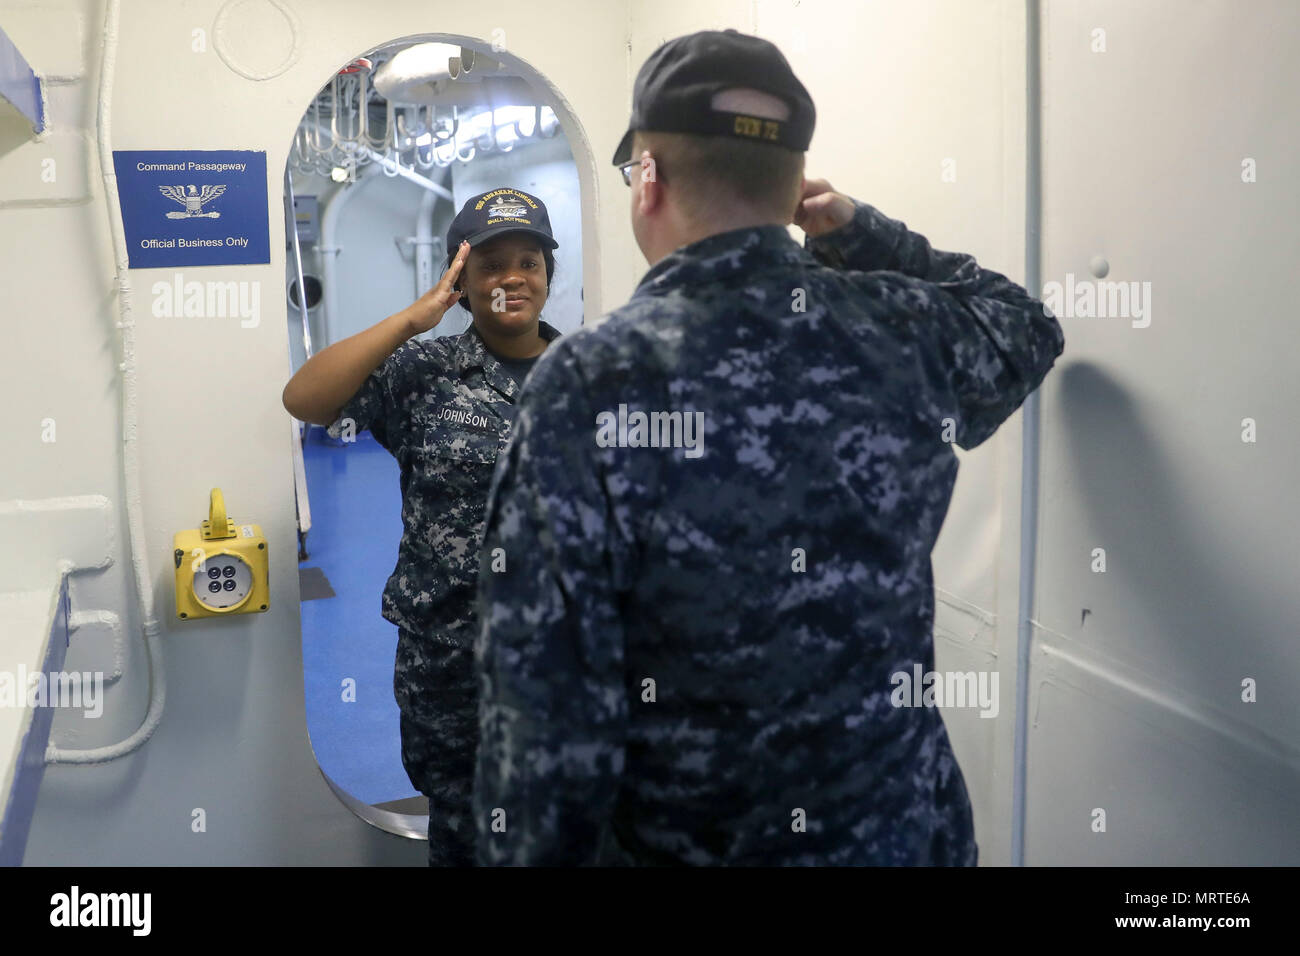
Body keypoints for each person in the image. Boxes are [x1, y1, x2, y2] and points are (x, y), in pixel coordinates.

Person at [472, 29, 1065, 865]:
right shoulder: (906, 325)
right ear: (794, 185)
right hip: (901, 832)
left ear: (647, 179)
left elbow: (546, 715)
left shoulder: (593, 380)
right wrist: (861, 232)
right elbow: (1027, 326)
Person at [281, 187, 563, 865]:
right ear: (460, 280)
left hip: (560, 655)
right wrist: (414, 318)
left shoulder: (584, 376)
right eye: (492, 265)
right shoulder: (424, 372)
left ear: (549, 275)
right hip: (450, 659)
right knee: (463, 827)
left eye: (530, 260)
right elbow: (306, 399)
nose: (514, 277)